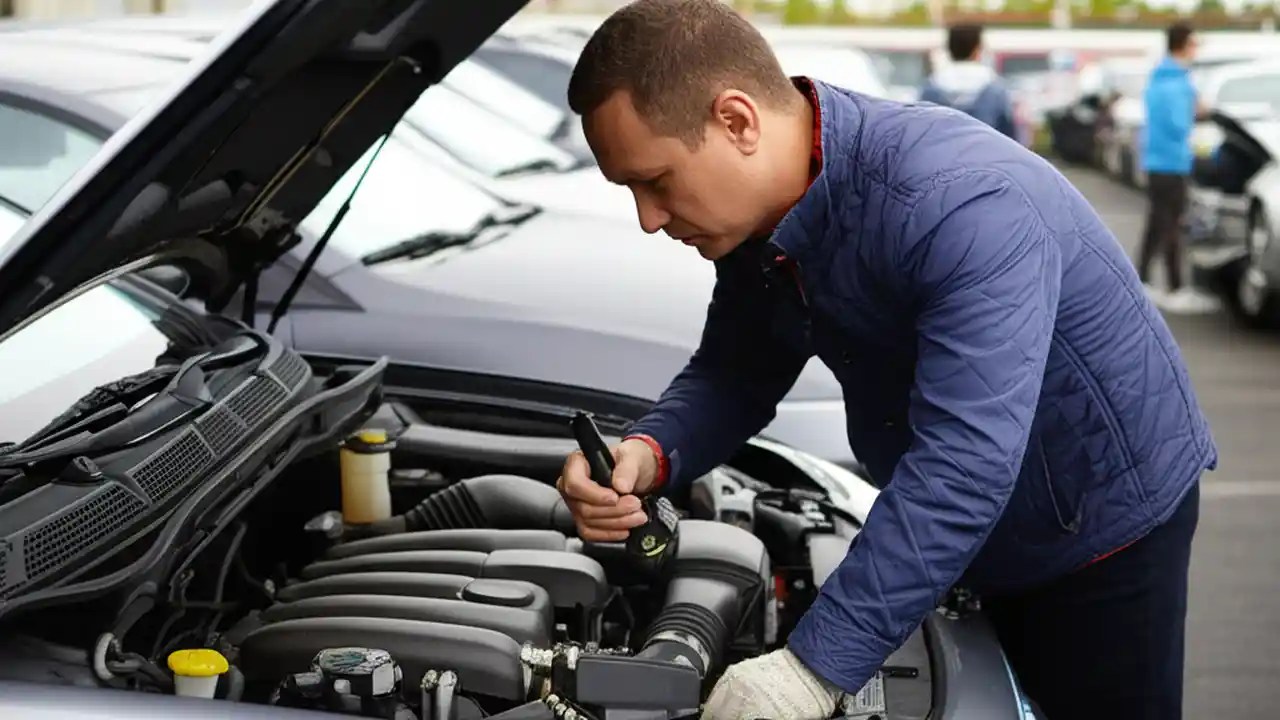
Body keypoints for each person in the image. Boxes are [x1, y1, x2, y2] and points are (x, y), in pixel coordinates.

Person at [556, 1, 1215, 718]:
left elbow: (963, 464)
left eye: (656, 181)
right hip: (974, 510)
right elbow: (735, 370)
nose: (648, 219)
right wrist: (651, 453)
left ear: (737, 121)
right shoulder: (760, 218)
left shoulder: (959, 206)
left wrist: (811, 669)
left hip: (1096, 523)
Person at [1138, 21, 1219, 313]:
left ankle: (1142, 279)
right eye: (1195, 43)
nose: (1196, 49)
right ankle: (1176, 287)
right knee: (1172, 224)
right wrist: (1198, 111)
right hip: (1172, 162)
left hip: (1155, 160)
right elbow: (1179, 124)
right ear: (1184, 44)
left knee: (1156, 224)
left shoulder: (1158, 78)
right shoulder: (1179, 83)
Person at [919, 23, 1019, 140]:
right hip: (985, 154)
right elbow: (1009, 136)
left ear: (949, 48)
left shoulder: (931, 88)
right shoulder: (994, 89)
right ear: (977, 49)